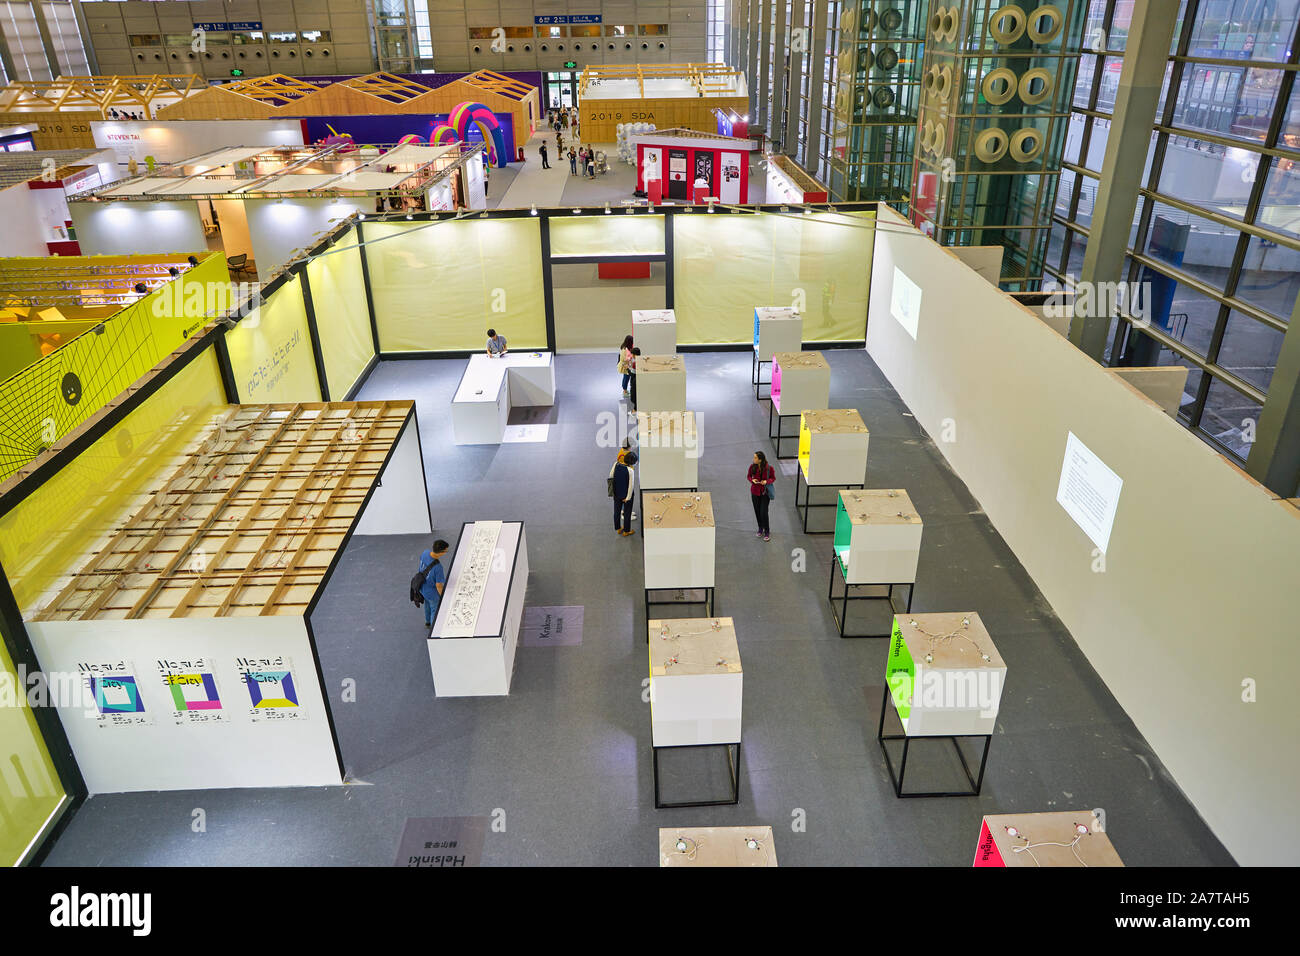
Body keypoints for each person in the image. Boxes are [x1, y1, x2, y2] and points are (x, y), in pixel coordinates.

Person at [416, 539, 450, 628]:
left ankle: (427, 622)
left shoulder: (425, 553)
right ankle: (433, 629)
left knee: (427, 605)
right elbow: (438, 586)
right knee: (434, 610)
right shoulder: (438, 568)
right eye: (446, 551)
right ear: (441, 552)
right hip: (431, 593)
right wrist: (443, 596)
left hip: (421, 586)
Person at [747, 450, 776, 541]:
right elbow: (748, 476)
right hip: (755, 492)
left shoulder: (769, 468)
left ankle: (767, 531)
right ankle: (760, 528)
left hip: (764, 493)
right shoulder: (752, 467)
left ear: (760, 460)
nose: (753, 459)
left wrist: (766, 481)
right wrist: (752, 480)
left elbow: (773, 478)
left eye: (755, 457)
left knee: (763, 512)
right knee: (757, 511)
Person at [611, 451, 638, 536]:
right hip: (626, 495)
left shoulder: (616, 464)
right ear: (632, 462)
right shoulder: (630, 470)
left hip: (616, 493)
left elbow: (611, 476)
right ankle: (627, 530)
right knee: (627, 512)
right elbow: (631, 486)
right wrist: (628, 498)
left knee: (617, 511)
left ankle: (618, 528)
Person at [617, 334, 634, 399]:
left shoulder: (624, 346)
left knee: (626, 377)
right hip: (625, 366)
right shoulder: (624, 349)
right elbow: (625, 359)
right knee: (626, 378)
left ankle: (625, 389)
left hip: (626, 365)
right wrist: (632, 357)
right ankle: (624, 390)